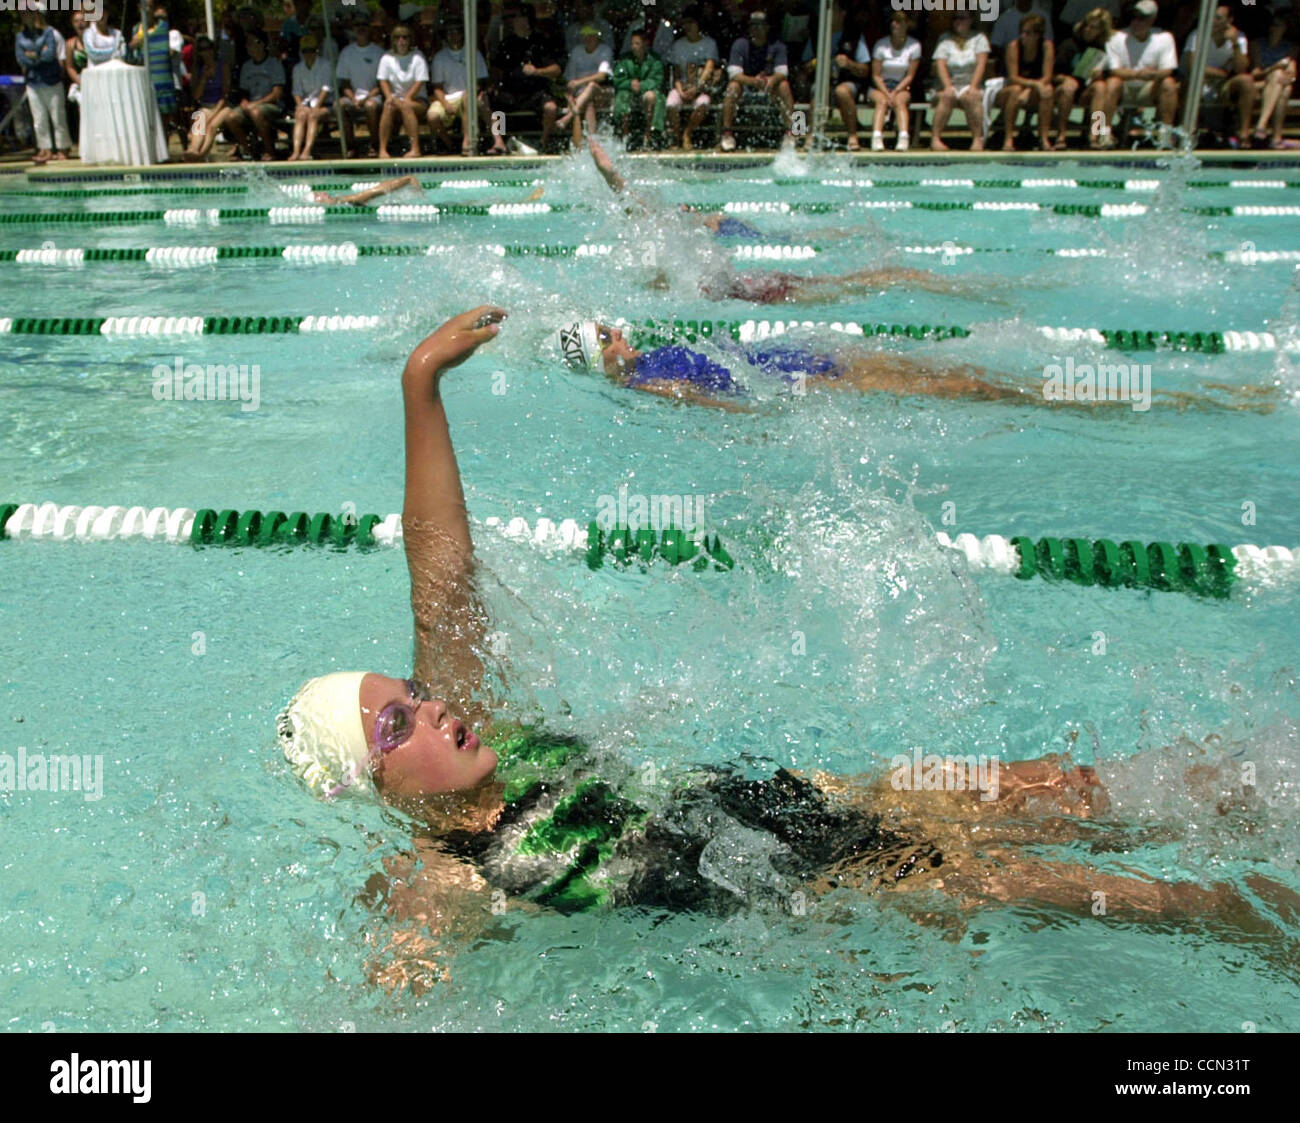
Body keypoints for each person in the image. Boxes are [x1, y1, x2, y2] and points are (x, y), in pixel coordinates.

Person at [277, 306, 1290, 993]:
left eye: (415, 688)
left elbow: (441, 567)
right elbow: (390, 991)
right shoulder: (444, 879)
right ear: (372, 782)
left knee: (1070, 788)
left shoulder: (486, 732)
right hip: (834, 888)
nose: (434, 704)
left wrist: (423, 387)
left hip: (808, 794)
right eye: (398, 720)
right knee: (1158, 901)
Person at [1103, 0, 1179, 148]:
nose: (1136, 22)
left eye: (1142, 18)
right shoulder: (1115, 37)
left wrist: (1151, 75)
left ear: (1152, 19)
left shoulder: (1164, 38)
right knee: (1107, 85)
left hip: (1149, 88)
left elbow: (1167, 70)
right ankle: (1101, 132)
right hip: (1123, 88)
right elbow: (1114, 70)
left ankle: (1166, 133)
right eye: (1134, 17)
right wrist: (1137, 74)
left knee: (1169, 83)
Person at [719, 10, 795, 152]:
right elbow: (733, 74)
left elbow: (783, 71)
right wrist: (753, 81)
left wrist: (772, 79)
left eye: (760, 26)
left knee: (784, 86)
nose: (757, 30)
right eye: (754, 26)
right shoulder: (740, 44)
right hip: (746, 86)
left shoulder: (777, 44)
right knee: (732, 87)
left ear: (767, 28)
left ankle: (791, 133)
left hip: (770, 87)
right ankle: (727, 133)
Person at [491, 6, 563, 152]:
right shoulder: (506, 43)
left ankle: (543, 142)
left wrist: (537, 71)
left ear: (526, 20)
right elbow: (496, 69)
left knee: (551, 108)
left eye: (516, 17)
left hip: (535, 92)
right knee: (493, 107)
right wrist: (493, 85)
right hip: (511, 92)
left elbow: (556, 70)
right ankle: (500, 140)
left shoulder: (541, 42)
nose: (512, 21)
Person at [428, 19, 505, 156]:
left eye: (456, 31)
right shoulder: (440, 57)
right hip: (448, 98)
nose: (453, 35)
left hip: (472, 95)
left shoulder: (474, 53)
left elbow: (481, 80)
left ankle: (487, 141)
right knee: (432, 116)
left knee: (480, 102)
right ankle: (450, 145)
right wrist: (445, 104)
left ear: (462, 34)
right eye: (449, 32)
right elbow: (437, 87)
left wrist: (472, 92)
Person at [1182, 5, 1255, 147]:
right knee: (1191, 82)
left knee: (1247, 81)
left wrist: (1235, 45)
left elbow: (1241, 69)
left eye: (1218, 18)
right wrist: (1222, 73)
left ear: (1230, 20)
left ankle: (1243, 135)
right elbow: (1193, 67)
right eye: (1211, 18)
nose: (1213, 21)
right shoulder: (1197, 35)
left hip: (1223, 85)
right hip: (1199, 82)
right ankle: (1189, 134)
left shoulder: (1239, 37)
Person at [1056, 8, 1120, 149]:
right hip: (1067, 88)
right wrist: (1065, 79)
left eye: (1094, 28)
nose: (1088, 30)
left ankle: (1094, 134)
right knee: (1068, 89)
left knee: (1101, 87)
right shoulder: (1069, 44)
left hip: (1087, 89)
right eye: (1087, 25)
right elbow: (1054, 74)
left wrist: (1100, 75)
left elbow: (1110, 71)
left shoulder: (1103, 48)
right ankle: (1061, 135)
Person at [15, 2, 71, 165]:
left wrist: (32, 56)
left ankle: (63, 147)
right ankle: (44, 148)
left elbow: (50, 55)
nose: (26, 16)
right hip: (33, 82)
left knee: (57, 116)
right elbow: (21, 58)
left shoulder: (48, 33)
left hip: (51, 80)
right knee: (39, 119)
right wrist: (38, 55)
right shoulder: (20, 36)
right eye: (23, 13)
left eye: (29, 12)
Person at [861, 10, 921, 152]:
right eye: (893, 21)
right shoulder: (881, 45)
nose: (894, 24)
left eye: (899, 21)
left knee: (900, 101)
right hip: (879, 86)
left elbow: (910, 76)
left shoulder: (914, 45)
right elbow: (876, 75)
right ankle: (876, 138)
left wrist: (895, 92)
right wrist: (887, 93)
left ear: (907, 24)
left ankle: (903, 138)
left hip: (901, 86)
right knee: (881, 101)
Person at [929, 11, 990, 151]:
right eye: (955, 18)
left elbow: (981, 64)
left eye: (962, 18)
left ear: (971, 20)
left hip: (971, 83)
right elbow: (941, 65)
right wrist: (948, 86)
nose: (958, 21)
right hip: (947, 84)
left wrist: (973, 86)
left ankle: (977, 139)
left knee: (972, 97)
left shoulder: (979, 38)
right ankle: (935, 139)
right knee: (947, 96)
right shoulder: (945, 39)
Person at [997, 12, 1056, 150]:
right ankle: (1009, 139)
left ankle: (1044, 138)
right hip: (1011, 88)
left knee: (1048, 90)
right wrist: (1033, 85)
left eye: (1028, 33)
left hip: (1034, 90)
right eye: (1022, 32)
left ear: (1038, 34)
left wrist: (1030, 89)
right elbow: (1013, 77)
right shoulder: (1014, 46)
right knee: (1016, 91)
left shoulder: (1046, 46)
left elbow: (1047, 76)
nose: (1023, 35)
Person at [666, 6, 720, 151]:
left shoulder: (709, 44)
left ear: (698, 24)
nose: (687, 27)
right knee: (671, 103)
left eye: (691, 23)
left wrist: (696, 88)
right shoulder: (678, 45)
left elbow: (709, 68)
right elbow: (676, 75)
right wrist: (681, 91)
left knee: (703, 103)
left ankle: (687, 134)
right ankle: (676, 136)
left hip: (701, 87)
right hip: (683, 86)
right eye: (685, 23)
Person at [225, 30, 285, 160]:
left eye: (251, 43)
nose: (248, 46)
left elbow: (277, 93)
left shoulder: (274, 64)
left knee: (256, 112)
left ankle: (269, 151)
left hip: (271, 105)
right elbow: (244, 91)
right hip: (251, 105)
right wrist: (244, 101)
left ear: (262, 44)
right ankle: (249, 150)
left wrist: (256, 103)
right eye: (247, 44)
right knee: (230, 117)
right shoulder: (246, 66)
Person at [376, 24, 429, 159]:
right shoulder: (387, 57)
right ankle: (382, 150)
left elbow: (420, 81)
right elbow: (383, 80)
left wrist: (407, 98)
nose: (401, 41)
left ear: (410, 40)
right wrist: (388, 97)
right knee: (388, 106)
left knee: (406, 106)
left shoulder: (418, 56)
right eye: (398, 38)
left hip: (418, 101)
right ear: (393, 40)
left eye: (405, 37)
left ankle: (415, 149)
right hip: (395, 100)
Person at [558, 24, 614, 145]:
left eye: (591, 36)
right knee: (588, 104)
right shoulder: (576, 51)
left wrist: (579, 82)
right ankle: (592, 140)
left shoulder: (605, 50)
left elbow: (601, 76)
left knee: (592, 85)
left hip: (603, 93)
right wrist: (570, 94)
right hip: (582, 97)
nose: (588, 38)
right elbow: (570, 79)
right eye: (586, 36)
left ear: (597, 37)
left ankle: (568, 117)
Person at [611, 27, 666, 149]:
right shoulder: (625, 59)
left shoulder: (654, 60)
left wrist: (641, 86)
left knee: (652, 96)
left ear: (645, 44)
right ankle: (625, 134)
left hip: (645, 93)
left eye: (637, 43)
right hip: (630, 93)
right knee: (622, 95)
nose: (634, 47)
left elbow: (657, 80)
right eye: (632, 43)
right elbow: (617, 80)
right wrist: (630, 83)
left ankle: (649, 135)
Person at [336, 17, 385, 157]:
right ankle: (351, 146)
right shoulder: (346, 52)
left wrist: (365, 98)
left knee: (370, 106)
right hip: (353, 97)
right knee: (338, 105)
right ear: (353, 29)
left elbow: (382, 84)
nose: (361, 28)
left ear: (369, 28)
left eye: (364, 25)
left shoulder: (378, 52)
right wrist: (353, 98)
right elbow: (344, 83)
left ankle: (374, 144)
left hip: (374, 96)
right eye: (357, 25)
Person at [1249, 12, 1297, 148]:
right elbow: (1255, 74)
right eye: (1272, 25)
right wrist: (1274, 68)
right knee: (1277, 75)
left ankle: (1272, 135)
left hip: (1276, 86)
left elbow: (1291, 74)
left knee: (1286, 88)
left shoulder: (1291, 48)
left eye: (1278, 26)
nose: (1274, 29)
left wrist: (1289, 72)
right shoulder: (1257, 44)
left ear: (1285, 28)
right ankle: (1266, 128)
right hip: (1259, 83)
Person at [182, 35, 232, 162]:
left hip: (223, 106)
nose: (206, 52)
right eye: (202, 49)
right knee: (199, 119)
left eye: (208, 48)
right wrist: (204, 78)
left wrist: (215, 111)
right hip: (205, 106)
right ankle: (193, 149)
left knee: (211, 126)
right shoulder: (198, 70)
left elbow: (226, 94)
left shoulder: (223, 66)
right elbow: (196, 96)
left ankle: (200, 155)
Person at [287, 33, 331, 161]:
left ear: (317, 51)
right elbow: (296, 91)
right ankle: (296, 151)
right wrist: (300, 106)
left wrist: (316, 107)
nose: (309, 54)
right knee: (300, 115)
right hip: (307, 103)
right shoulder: (298, 68)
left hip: (325, 103)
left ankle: (307, 150)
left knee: (313, 116)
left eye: (312, 50)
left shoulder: (326, 65)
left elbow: (326, 89)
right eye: (306, 51)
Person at [309, 174, 422, 206]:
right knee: (372, 193)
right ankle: (407, 179)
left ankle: (407, 179)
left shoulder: (341, 200)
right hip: (351, 201)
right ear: (318, 201)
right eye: (319, 194)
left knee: (373, 192)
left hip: (350, 201)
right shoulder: (341, 201)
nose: (324, 192)